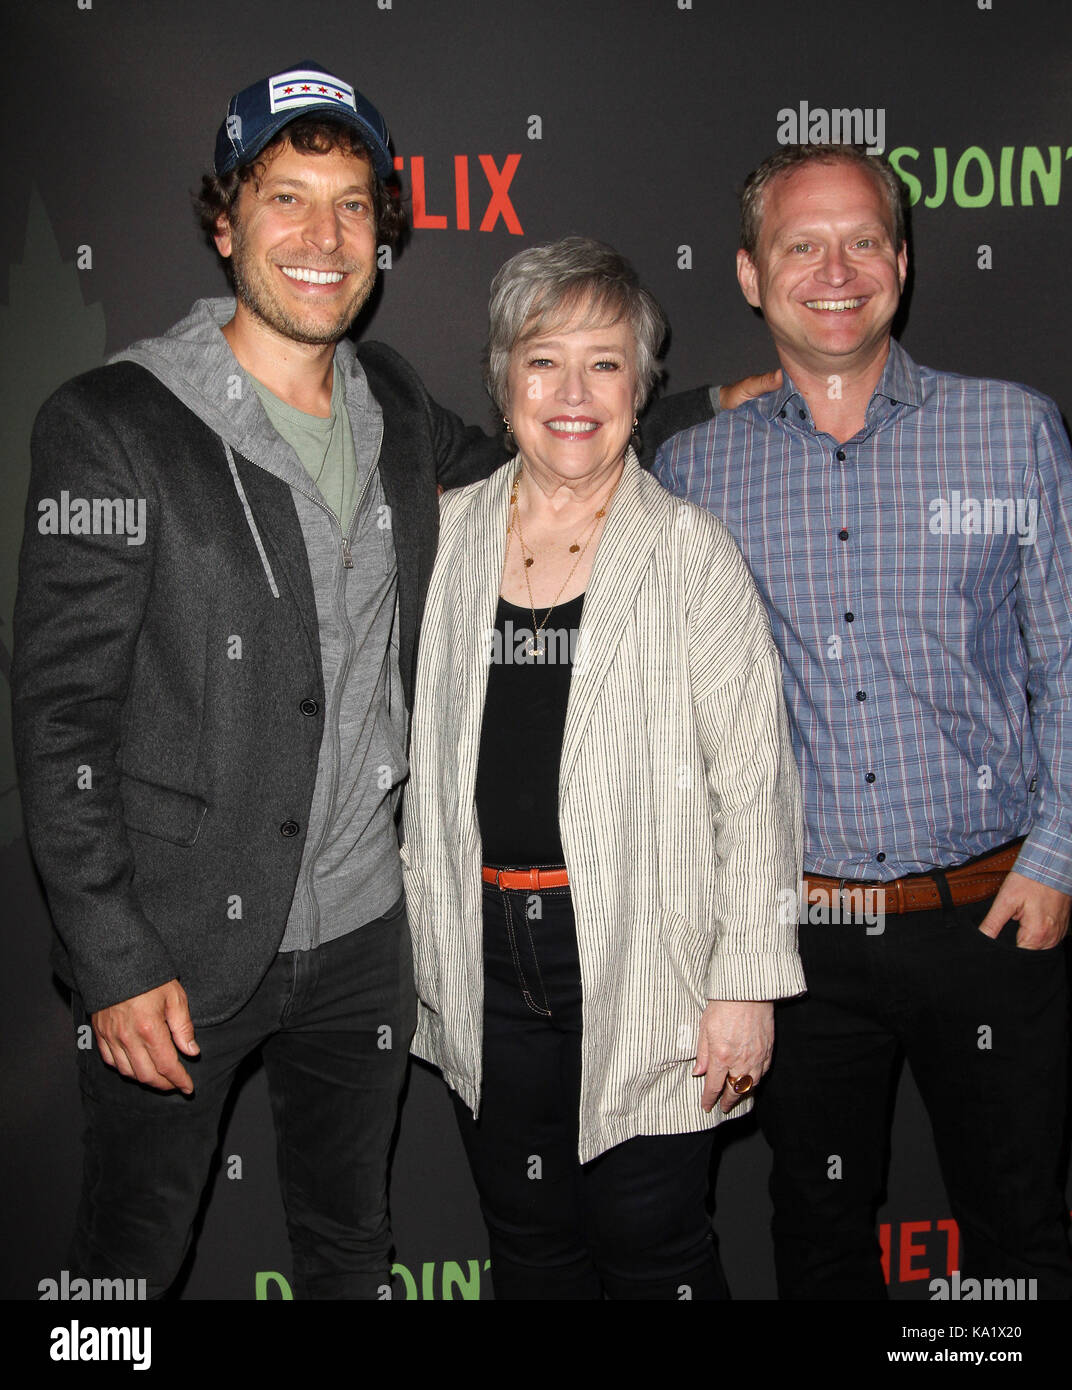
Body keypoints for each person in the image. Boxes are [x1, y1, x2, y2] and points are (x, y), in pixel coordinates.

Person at [11, 65, 744, 1299]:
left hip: (364, 935)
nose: (321, 237)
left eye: (351, 204)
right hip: (176, 945)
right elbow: (59, 718)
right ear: (224, 220)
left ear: (383, 233)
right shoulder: (113, 422)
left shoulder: (394, 404)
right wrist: (114, 956)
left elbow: (556, 447)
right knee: (120, 1274)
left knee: (352, 1249)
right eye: (286, 198)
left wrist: (719, 405)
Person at [654, 144, 1072, 1300]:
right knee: (820, 1233)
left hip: (993, 914)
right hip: (801, 938)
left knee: (1016, 1232)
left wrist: (1058, 856)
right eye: (801, 245)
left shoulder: (1011, 432)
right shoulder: (696, 471)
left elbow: (1068, 653)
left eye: (863, 241)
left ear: (901, 261)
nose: (834, 269)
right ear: (749, 275)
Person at [401, 236, 805, 1301]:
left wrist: (745, 985)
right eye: (544, 360)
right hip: (483, 961)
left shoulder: (688, 551)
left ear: (640, 386)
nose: (573, 393)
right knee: (529, 1249)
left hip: (646, 960)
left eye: (605, 362)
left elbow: (755, 786)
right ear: (504, 381)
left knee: (656, 1246)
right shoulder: (445, 541)